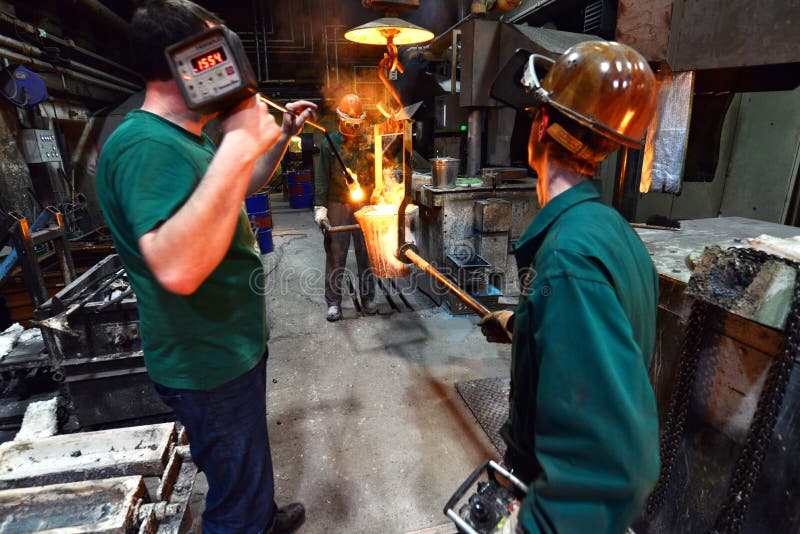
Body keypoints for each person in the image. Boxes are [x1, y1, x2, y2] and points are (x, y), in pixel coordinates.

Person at [95, 1, 317, 532]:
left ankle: (260, 514)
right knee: (231, 495)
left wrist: (278, 136)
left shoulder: (188, 138)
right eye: (216, 51)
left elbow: (239, 186)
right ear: (182, 64)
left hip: (228, 346)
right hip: (205, 360)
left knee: (244, 462)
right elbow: (177, 269)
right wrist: (241, 137)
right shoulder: (147, 146)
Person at [479, 41, 661, 533]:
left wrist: (529, 526)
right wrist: (525, 324)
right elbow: (600, 346)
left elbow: (616, 466)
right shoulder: (611, 230)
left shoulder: (567, 260)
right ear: (604, 150)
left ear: (541, 124)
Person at [313, 93, 376, 322]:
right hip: (337, 202)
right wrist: (320, 206)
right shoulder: (330, 143)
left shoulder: (367, 143)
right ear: (341, 119)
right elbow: (322, 177)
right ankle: (333, 303)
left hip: (362, 203)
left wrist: (378, 193)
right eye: (349, 124)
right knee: (335, 253)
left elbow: (376, 171)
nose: (353, 129)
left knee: (366, 253)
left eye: (356, 125)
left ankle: (368, 298)